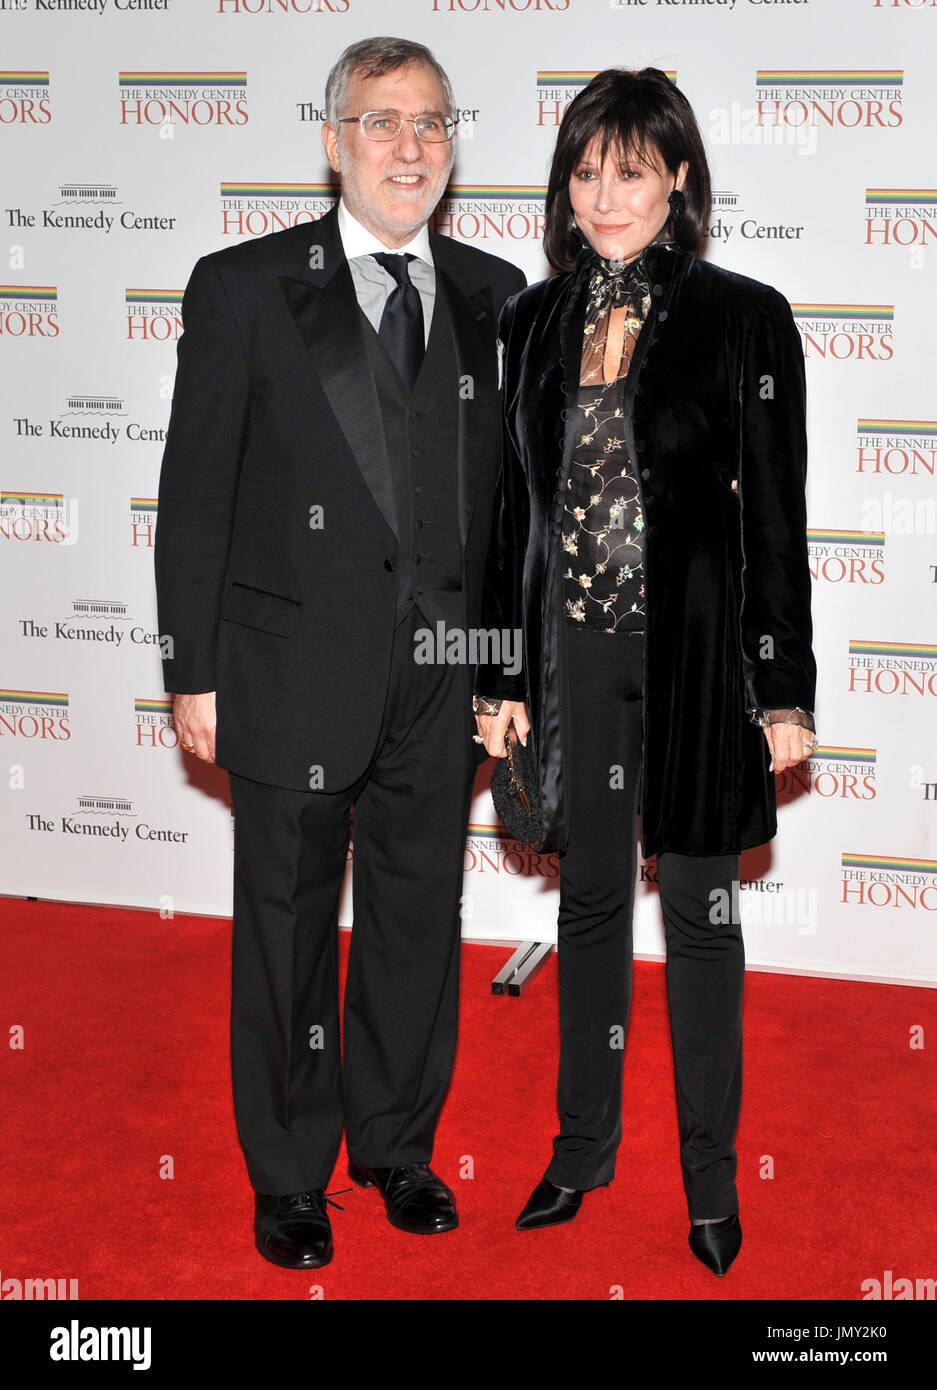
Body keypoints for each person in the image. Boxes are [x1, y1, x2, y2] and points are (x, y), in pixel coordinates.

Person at [154, 36, 525, 1269]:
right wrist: (192, 669)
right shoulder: (246, 287)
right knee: (288, 927)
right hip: (288, 669)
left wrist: (503, 671)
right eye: (382, 122)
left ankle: (397, 1144)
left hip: (445, 676)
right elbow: (196, 490)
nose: (410, 146)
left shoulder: (493, 292)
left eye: (431, 123)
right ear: (331, 141)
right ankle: (290, 1171)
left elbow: (510, 506)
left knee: (419, 916)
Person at [474, 67, 817, 1277]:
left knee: (704, 920)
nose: (604, 194)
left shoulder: (744, 318)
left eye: (629, 169)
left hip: (695, 664)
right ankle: (580, 1149)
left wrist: (782, 694)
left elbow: (775, 519)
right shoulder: (529, 322)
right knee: (589, 910)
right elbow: (505, 513)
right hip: (571, 667)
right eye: (584, 170)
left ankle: (712, 1183)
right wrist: (498, 676)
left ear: (677, 177)